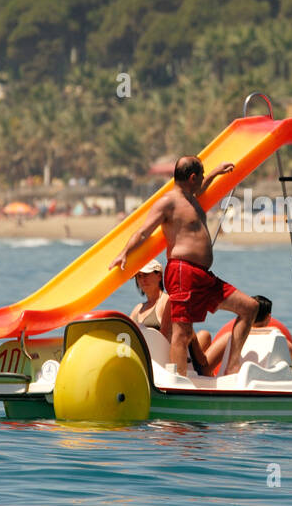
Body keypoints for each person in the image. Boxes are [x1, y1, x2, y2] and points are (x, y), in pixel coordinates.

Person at [110, 155, 259, 376]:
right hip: (182, 272)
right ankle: (178, 382)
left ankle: (233, 366)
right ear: (192, 177)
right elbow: (144, 231)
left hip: (203, 276)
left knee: (250, 308)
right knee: (181, 332)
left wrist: (215, 172)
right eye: (200, 176)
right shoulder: (168, 202)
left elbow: (200, 189)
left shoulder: (191, 196)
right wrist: (125, 253)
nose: (202, 180)